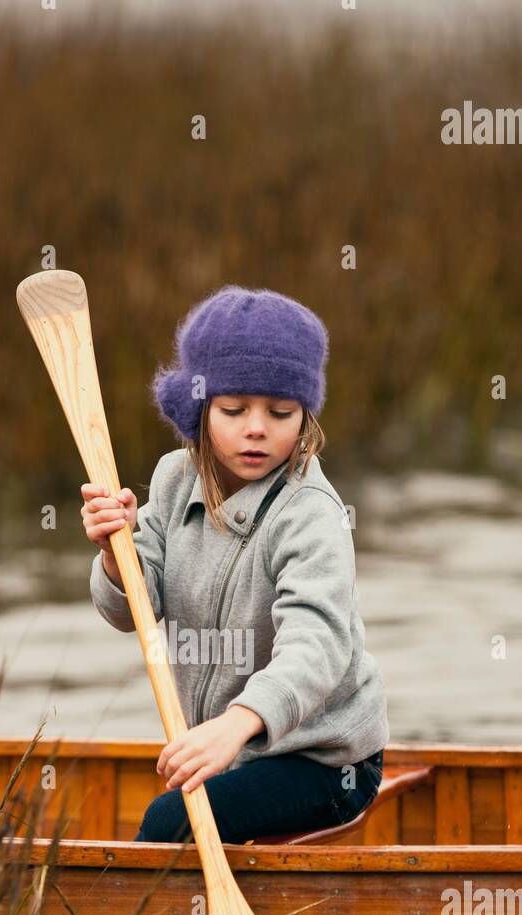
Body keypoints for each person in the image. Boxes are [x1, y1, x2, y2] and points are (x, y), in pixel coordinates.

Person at [81, 284, 389, 844]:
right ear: (200, 408)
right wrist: (113, 550)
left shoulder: (312, 514)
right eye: (233, 409)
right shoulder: (174, 480)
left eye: (280, 411)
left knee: (169, 820)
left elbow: (316, 646)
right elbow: (133, 612)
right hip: (230, 751)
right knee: (182, 811)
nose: (257, 428)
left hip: (323, 762)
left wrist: (237, 725)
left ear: (305, 414)